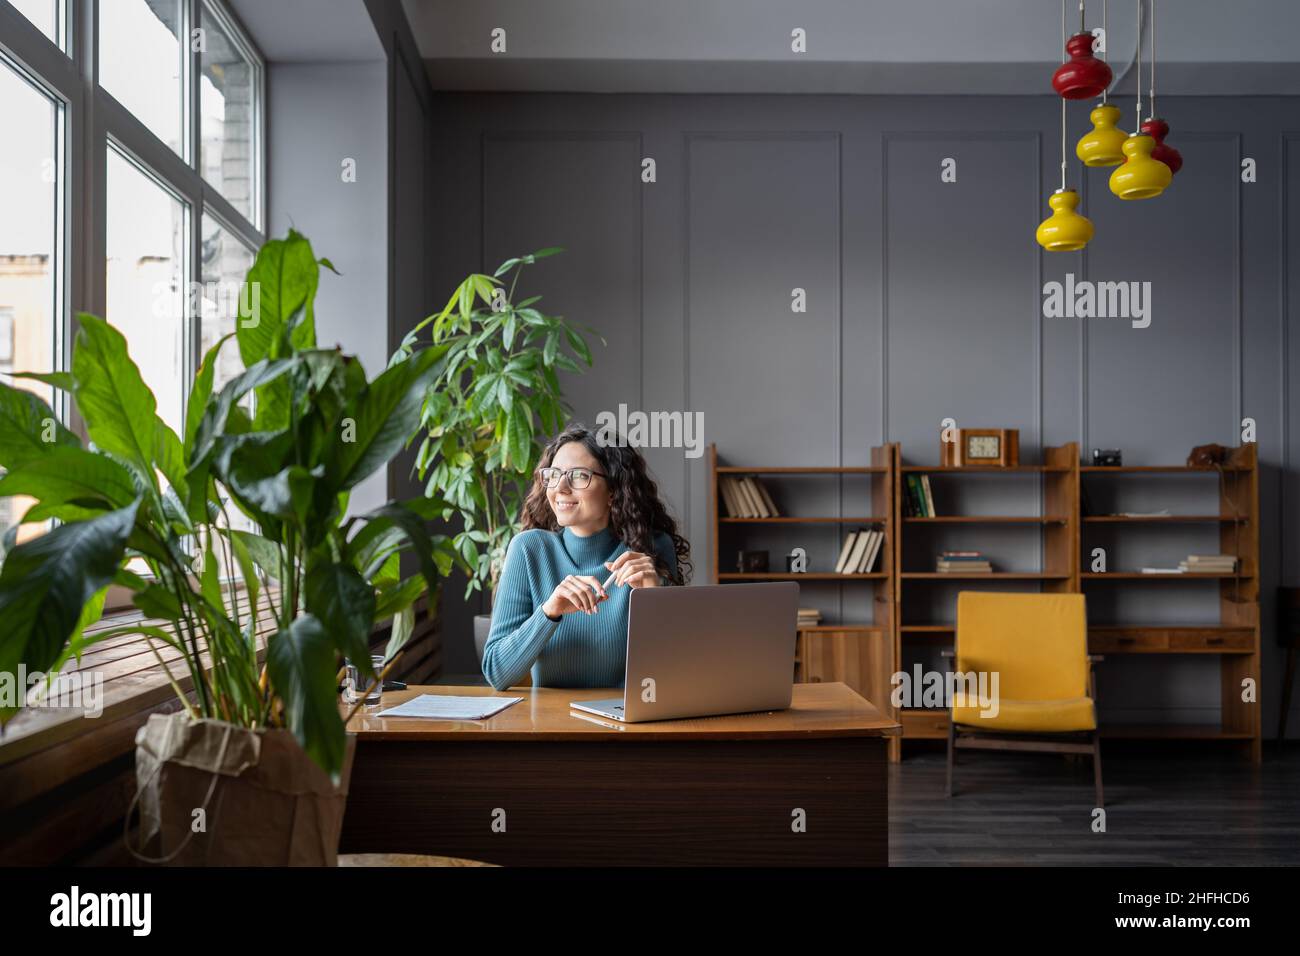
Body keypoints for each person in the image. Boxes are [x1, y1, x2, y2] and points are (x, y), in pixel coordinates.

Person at [481, 422, 692, 690]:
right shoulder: (528, 550)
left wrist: (656, 598)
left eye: (579, 476)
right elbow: (497, 673)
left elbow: (677, 672)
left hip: (628, 724)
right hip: (550, 726)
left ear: (613, 491)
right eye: (553, 475)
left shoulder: (650, 550)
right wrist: (550, 611)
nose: (561, 488)